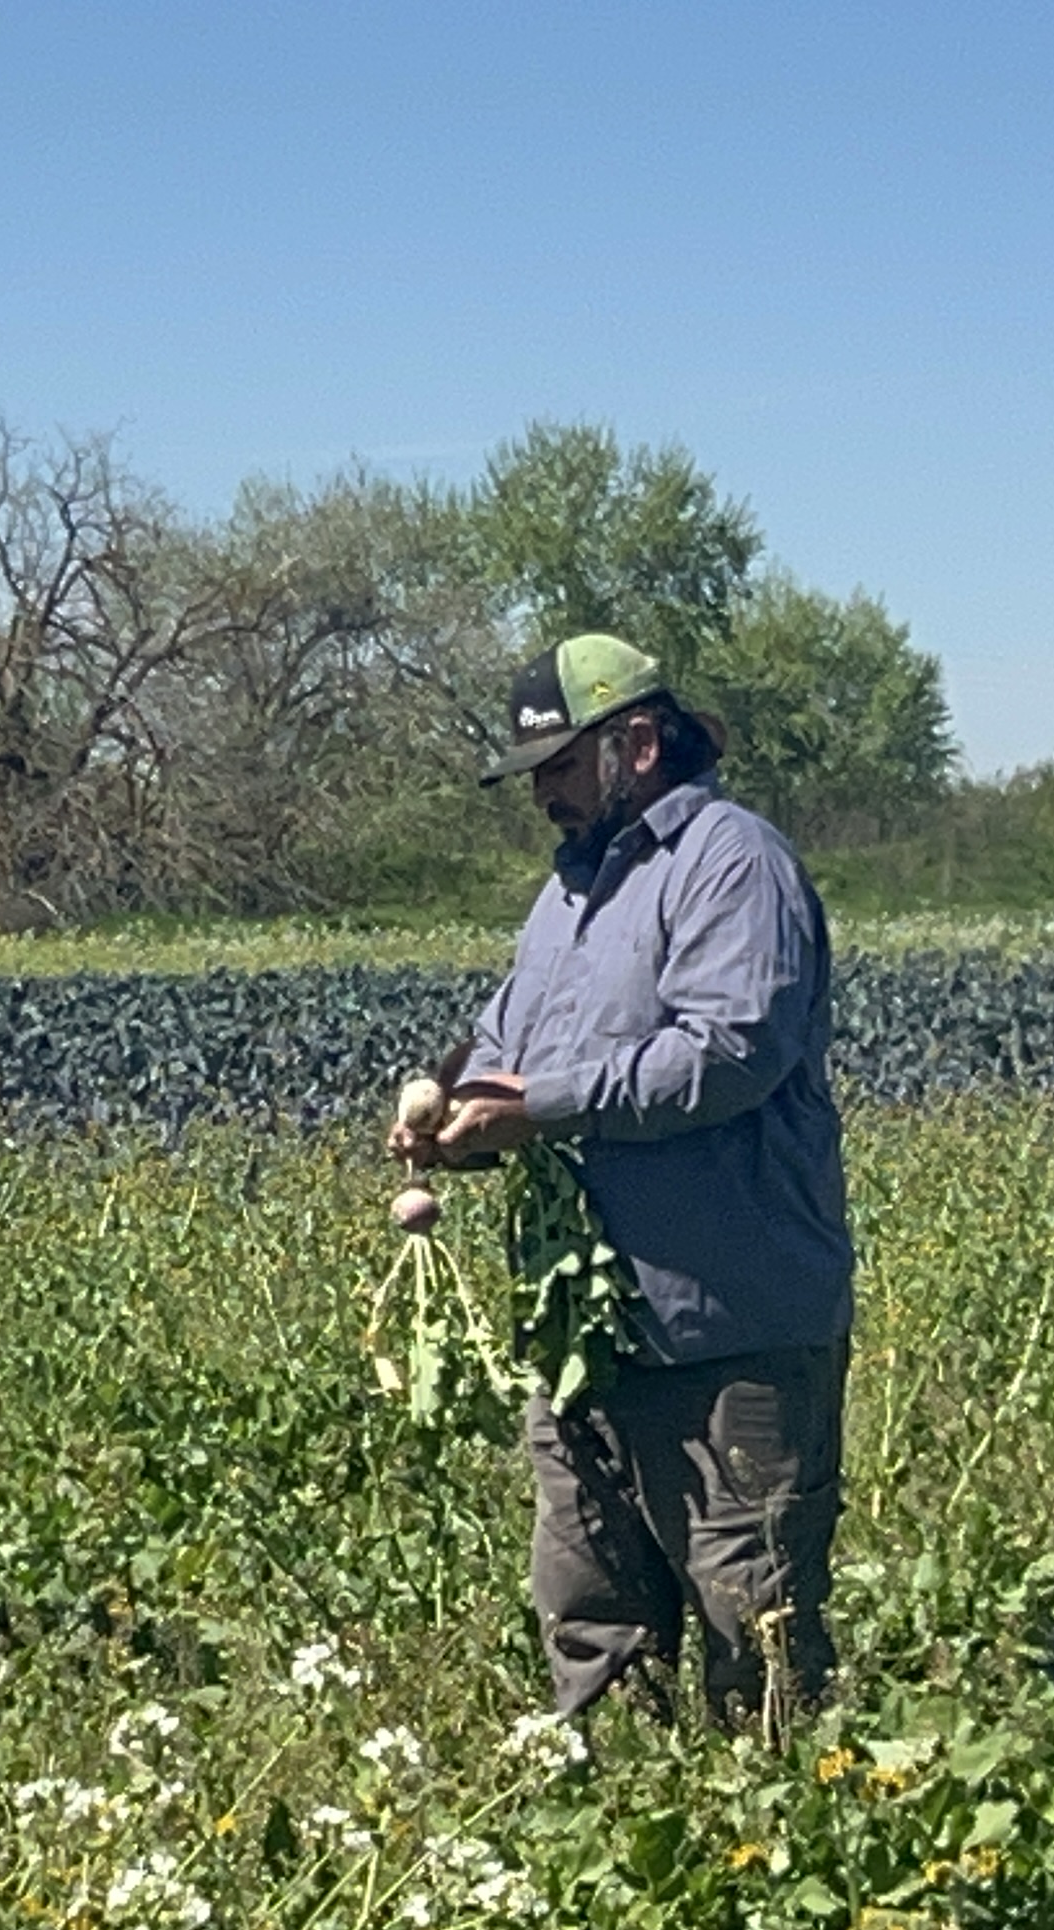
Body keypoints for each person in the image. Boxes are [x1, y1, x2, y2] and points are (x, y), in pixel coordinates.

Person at [395, 633, 853, 1738]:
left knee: (757, 1621)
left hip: (729, 1322)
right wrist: (448, 1109)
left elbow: (732, 1048)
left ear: (637, 743)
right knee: (593, 1611)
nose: (541, 794)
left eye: (557, 765)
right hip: (590, 1327)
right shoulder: (568, 896)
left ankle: (782, 1845)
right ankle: (613, 1836)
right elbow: (508, 1048)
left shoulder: (734, 864)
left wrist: (544, 1105)